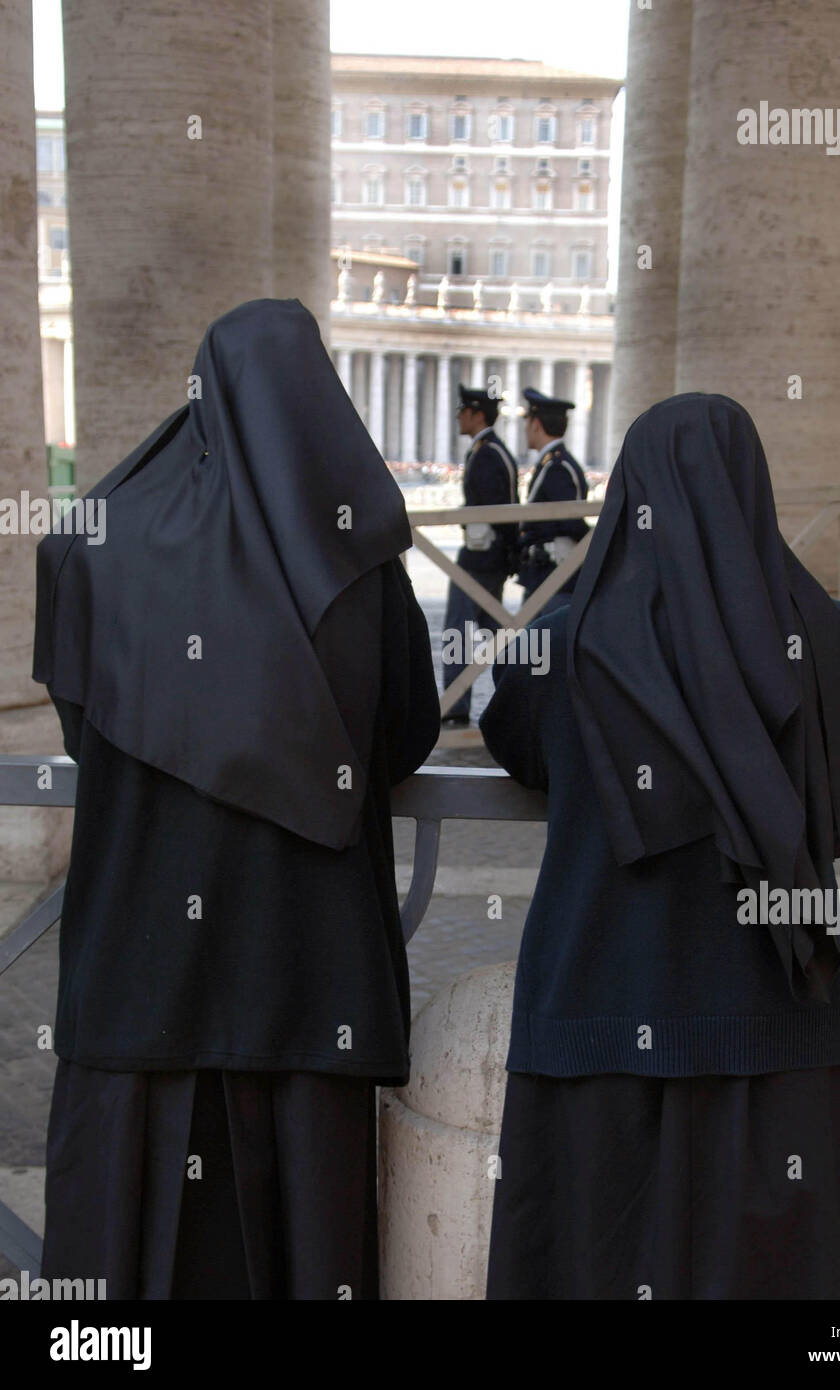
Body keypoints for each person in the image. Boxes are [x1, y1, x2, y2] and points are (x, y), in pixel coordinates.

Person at [33, 298, 440, 1300]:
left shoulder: (102, 541)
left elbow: (85, 730)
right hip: (307, 977)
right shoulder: (365, 564)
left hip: (141, 968)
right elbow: (407, 736)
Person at [479, 393, 840, 1301]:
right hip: (766, 999)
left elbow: (515, 742)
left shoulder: (563, 645)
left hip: (600, 990)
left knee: (595, 1251)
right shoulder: (822, 636)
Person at [441, 383, 518, 728]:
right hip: (491, 556)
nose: (458, 416)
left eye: (462, 411)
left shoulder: (487, 453)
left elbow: (493, 508)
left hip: (480, 558)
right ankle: (515, 693)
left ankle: (456, 704)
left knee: (457, 629)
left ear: (476, 414)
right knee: (495, 631)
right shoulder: (489, 450)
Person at [515, 387, 589, 608]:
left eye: (527, 422)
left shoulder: (558, 467)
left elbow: (571, 521)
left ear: (536, 424)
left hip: (553, 574)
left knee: (539, 641)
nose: (525, 429)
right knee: (533, 641)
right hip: (544, 572)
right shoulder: (552, 463)